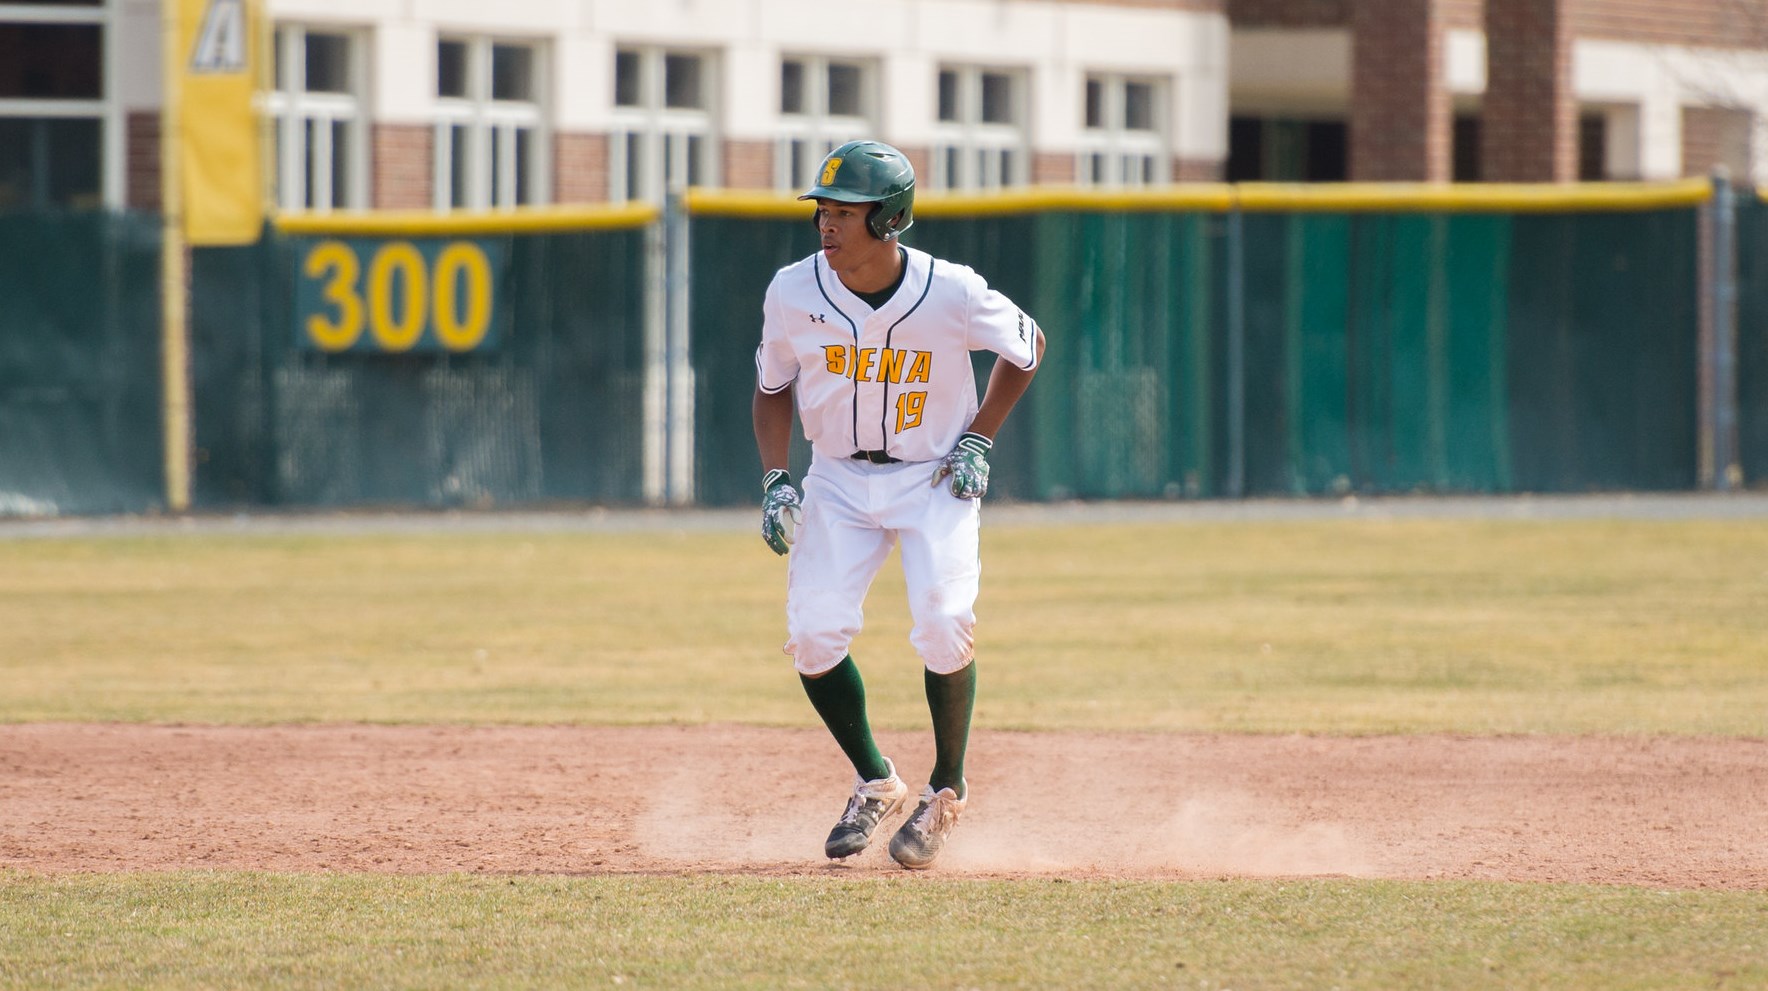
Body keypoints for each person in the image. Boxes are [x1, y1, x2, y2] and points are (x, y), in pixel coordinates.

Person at [751, 139, 1045, 869]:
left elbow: (1028, 344)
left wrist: (980, 437)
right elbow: (770, 386)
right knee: (814, 636)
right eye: (822, 208)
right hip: (839, 480)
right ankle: (876, 780)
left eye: (845, 211)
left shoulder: (950, 290)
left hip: (933, 477)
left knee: (946, 624)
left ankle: (947, 788)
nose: (826, 223)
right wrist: (774, 477)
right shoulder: (792, 290)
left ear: (890, 218)